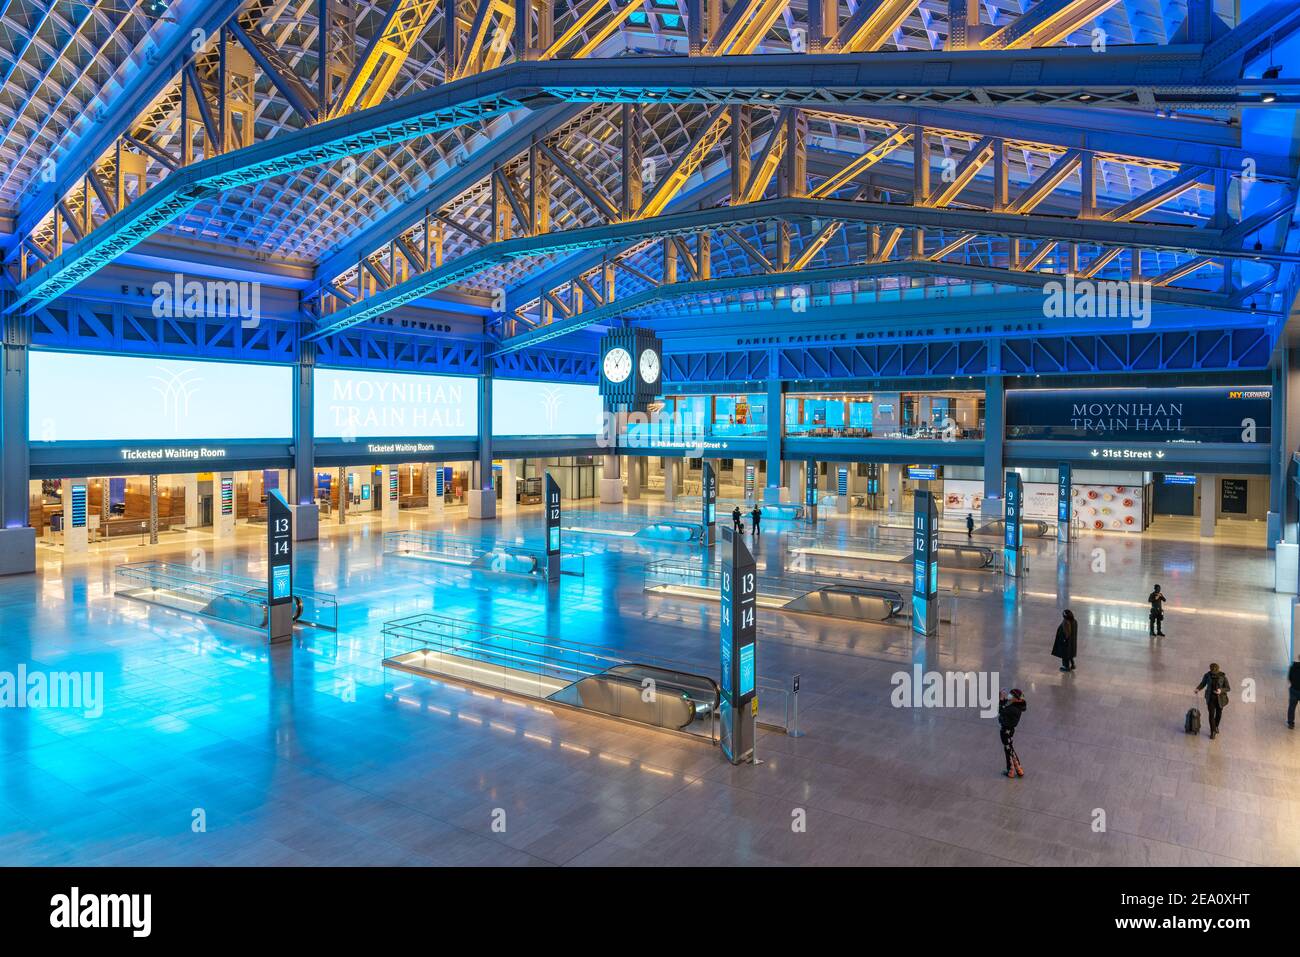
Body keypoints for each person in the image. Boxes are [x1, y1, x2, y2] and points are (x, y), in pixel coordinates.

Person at [1194, 663, 1230, 740]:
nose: (1213, 672)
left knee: (1219, 714)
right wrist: (1198, 688)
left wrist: (1221, 690)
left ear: (1218, 670)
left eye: (1215, 671)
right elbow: (1203, 683)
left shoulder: (1223, 677)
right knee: (1211, 714)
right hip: (1210, 698)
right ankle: (1213, 731)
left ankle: (1216, 726)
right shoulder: (1207, 676)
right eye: (1212, 671)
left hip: (1220, 699)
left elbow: (1228, 688)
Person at [998, 688, 1026, 778]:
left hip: (1006, 730)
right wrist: (1003, 698)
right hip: (1010, 730)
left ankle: (1012, 770)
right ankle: (1017, 768)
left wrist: (1001, 700)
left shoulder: (1013, 709)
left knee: (1008, 749)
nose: (1009, 696)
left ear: (1016, 698)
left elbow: (1001, 710)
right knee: (1009, 748)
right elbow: (1008, 703)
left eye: (1011, 695)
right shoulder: (1018, 706)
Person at [1287, 660, 1300, 729]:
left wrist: (1294, 684)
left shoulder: (1293, 667)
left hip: (1294, 690)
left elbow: (1289, 678)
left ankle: (1290, 723)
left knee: (1291, 707)